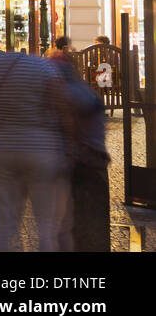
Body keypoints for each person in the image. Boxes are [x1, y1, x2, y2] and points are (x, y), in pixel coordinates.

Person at [0, 48, 71, 250]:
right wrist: (70, 146)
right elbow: (61, 108)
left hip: (0, 149)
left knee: (5, 222)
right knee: (45, 224)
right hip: (40, 149)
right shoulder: (44, 68)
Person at [51, 50, 110, 251]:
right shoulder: (85, 90)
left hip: (81, 162)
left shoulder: (67, 93)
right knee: (86, 222)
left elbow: (70, 128)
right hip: (94, 160)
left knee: (69, 221)